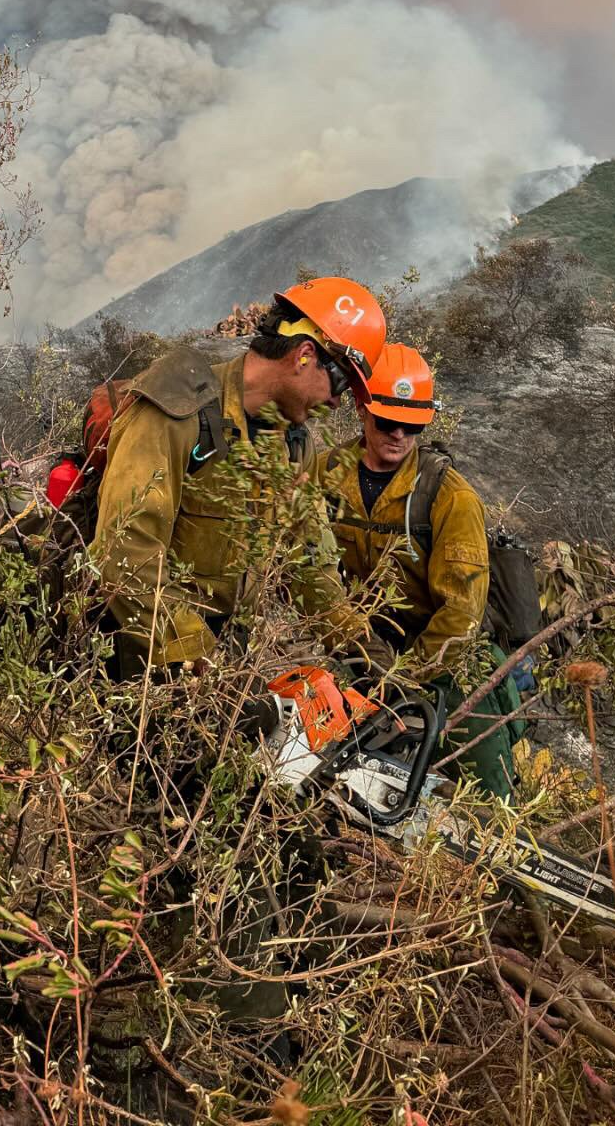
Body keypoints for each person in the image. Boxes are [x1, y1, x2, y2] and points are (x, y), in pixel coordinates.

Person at [92, 278, 387, 677]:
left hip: (217, 654)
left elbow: (308, 561)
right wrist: (207, 667)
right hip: (136, 666)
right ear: (304, 355)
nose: (339, 401)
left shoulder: (292, 444)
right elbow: (124, 552)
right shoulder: (178, 412)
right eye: (341, 382)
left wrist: (365, 653)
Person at [327, 341, 524, 800]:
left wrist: (404, 679)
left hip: (446, 662)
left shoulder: (450, 496)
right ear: (363, 410)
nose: (398, 434)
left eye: (412, 425)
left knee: (482, 789)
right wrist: (360, 648)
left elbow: (461, 614)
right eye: (388, 421)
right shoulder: (325, 474)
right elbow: (303, 569)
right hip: (363, 646)